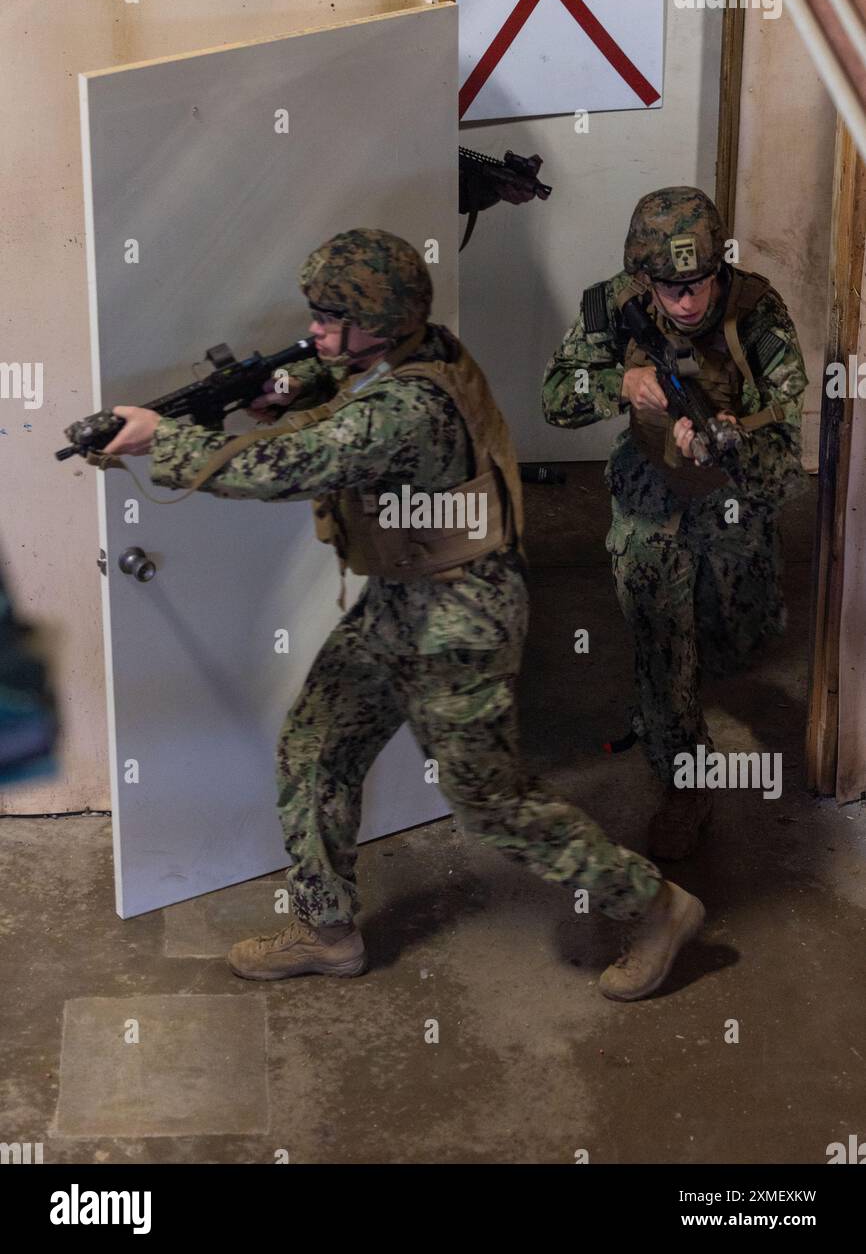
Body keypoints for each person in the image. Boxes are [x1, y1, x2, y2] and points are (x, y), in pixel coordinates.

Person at [101, 227, 704, 1001]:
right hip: (401, 597)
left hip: (462, 623)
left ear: (379, 323)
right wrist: (280, 390)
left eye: (329, 319)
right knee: (315, 748)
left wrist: (165, 441)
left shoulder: (409, 406)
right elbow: (332, 390)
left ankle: (657, 908)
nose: (313, 333)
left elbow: (286, 465)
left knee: (493, 803)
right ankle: (327, 931)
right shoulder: (420, 348)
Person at [542, 188, 808, 859]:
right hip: (649, 489)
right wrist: (618, 388)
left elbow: (787, 440)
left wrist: (732, 440)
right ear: (644, 277)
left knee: (743, 630)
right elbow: (554, 400)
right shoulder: (613, 304)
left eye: (700, 282)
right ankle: (682, 780)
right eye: (671, 287)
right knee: (663, 640)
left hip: (733, 486)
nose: (687, 301)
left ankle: (694, 669)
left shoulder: (756, 309)